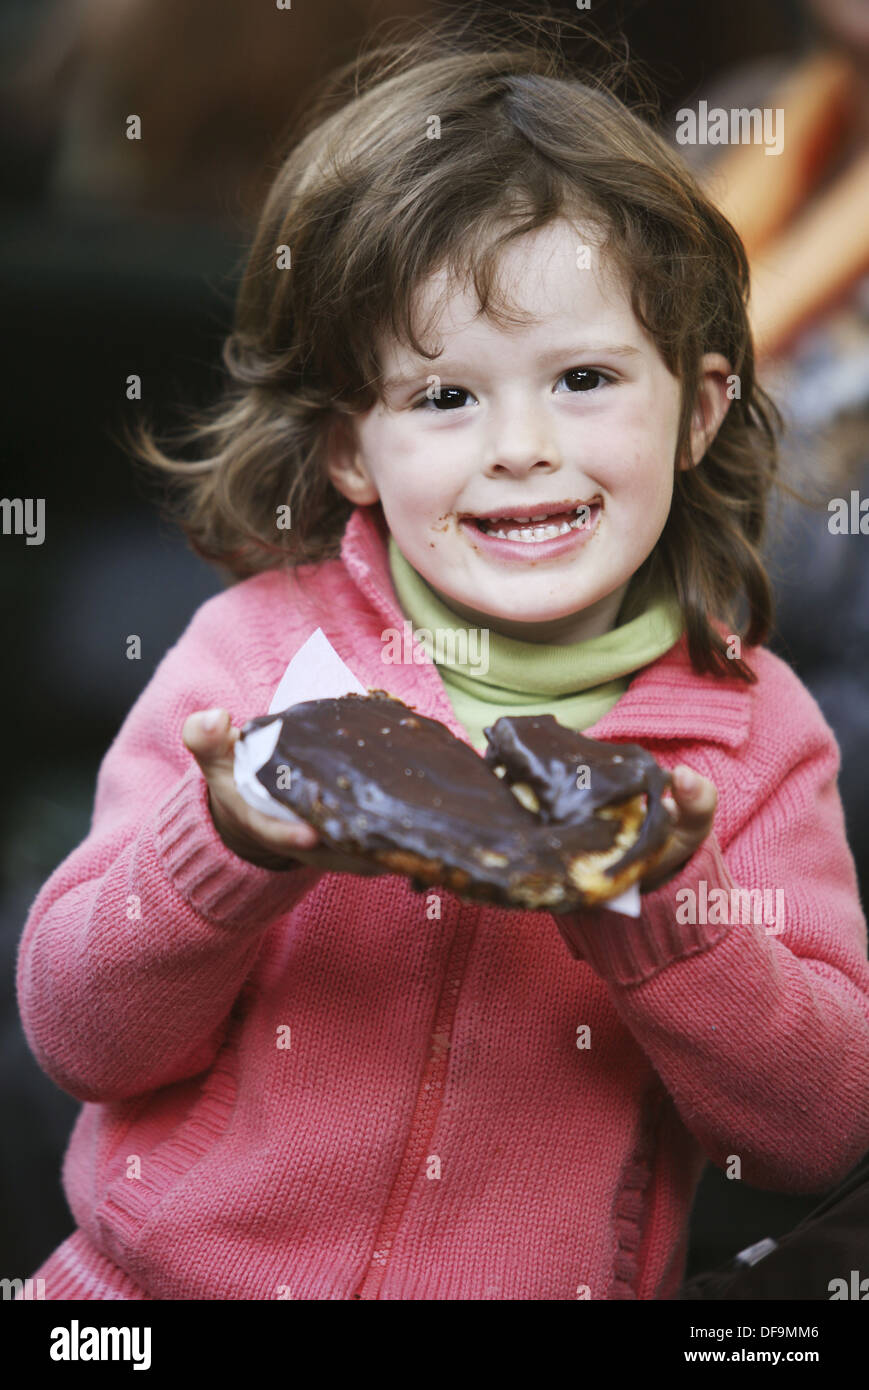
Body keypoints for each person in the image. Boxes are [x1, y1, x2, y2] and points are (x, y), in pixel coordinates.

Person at [15, 20, 869, 1301]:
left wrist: (663, 910)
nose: (519, 445)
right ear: (351, 447)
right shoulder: (259, 657)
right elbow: (82, 1035)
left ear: (693, 413)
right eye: (443, 397)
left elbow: (811, 1129)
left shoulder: (745, 736)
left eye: (582, 378)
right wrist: (225, 849)